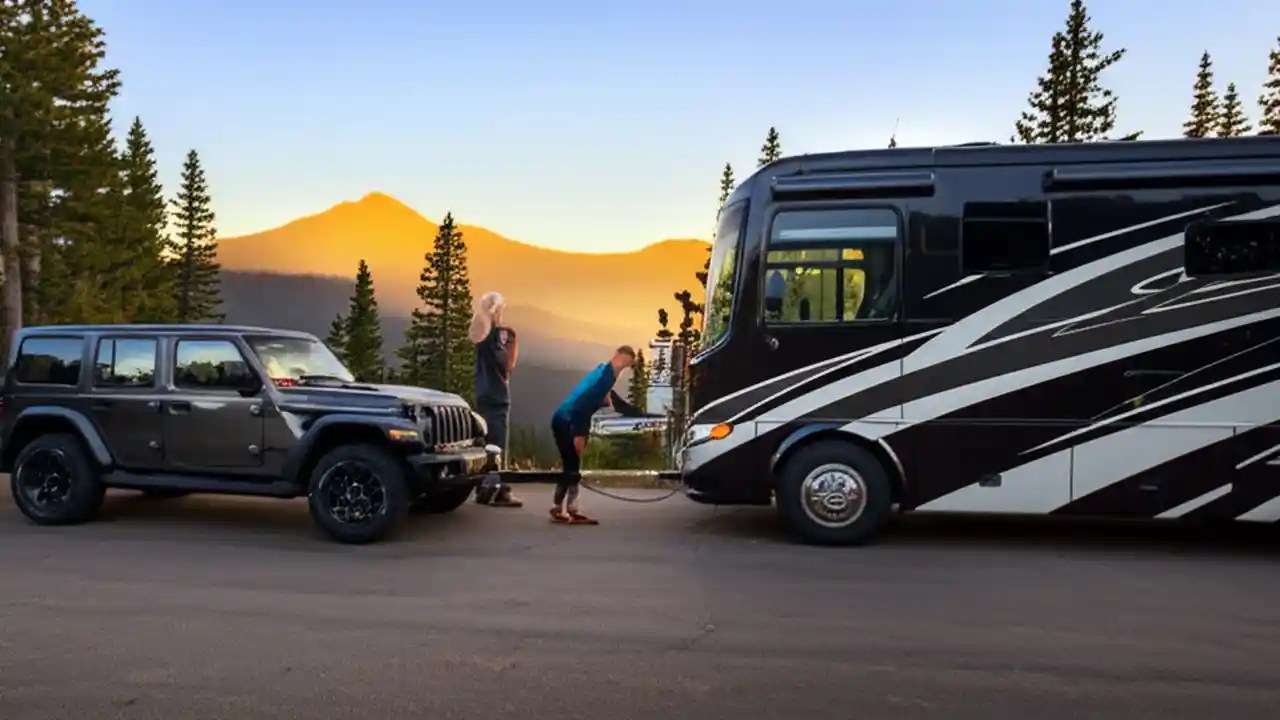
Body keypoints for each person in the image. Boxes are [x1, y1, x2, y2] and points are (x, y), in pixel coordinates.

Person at [549, 346, 636, 525]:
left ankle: (558, 507)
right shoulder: (606, 377)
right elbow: (584, 406)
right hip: (568, 421)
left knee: (570, 464)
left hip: (561, 418)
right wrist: (580, 434)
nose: (623, 368)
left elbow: (597, 397)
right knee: (572, 465)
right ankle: (571, 509)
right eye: (625, 363)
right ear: (621, 357)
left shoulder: (603, 370)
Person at [470, 291, 522, 508]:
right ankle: (500, 491)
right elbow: (507, 364)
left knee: (485, 443)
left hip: (483, 393)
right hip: (498, 395)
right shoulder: (503, 333)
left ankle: (484, 488)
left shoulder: (482, 334)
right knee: (498, 445)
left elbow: (475, 335)